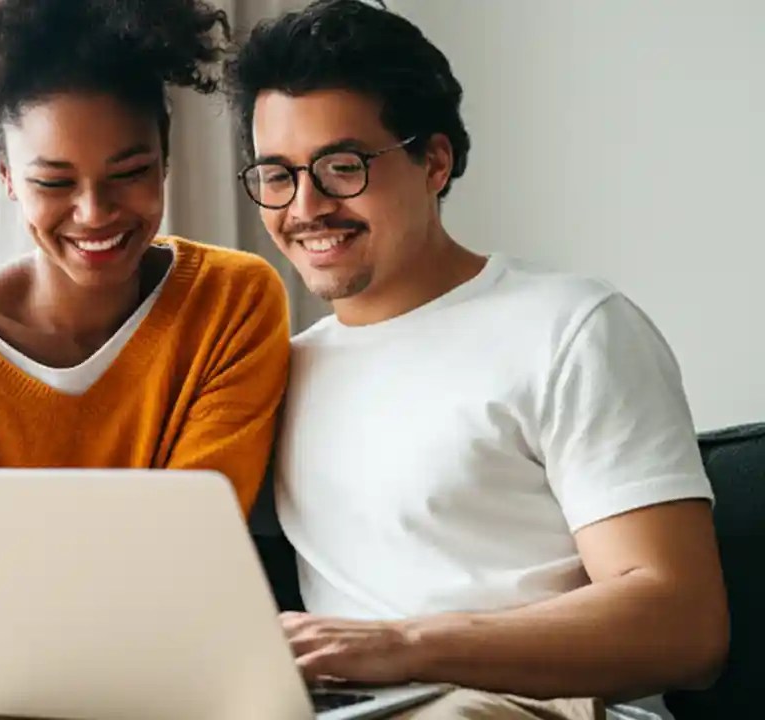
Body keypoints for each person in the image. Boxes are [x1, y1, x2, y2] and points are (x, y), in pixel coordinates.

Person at [224, 1, 729, 718]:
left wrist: (404, 644)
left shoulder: (570, 327)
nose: (305, 206)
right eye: (277, 174)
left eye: (342, 166)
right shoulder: (277, 371)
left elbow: (684, 626)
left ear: (434, 160)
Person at [0, 1, 291, 718]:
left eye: (128, 172)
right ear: (7, 175)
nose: (95, 212)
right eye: (54, 182)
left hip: (151, 662)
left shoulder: (230, 302)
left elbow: (192, 550)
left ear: (166, 157)